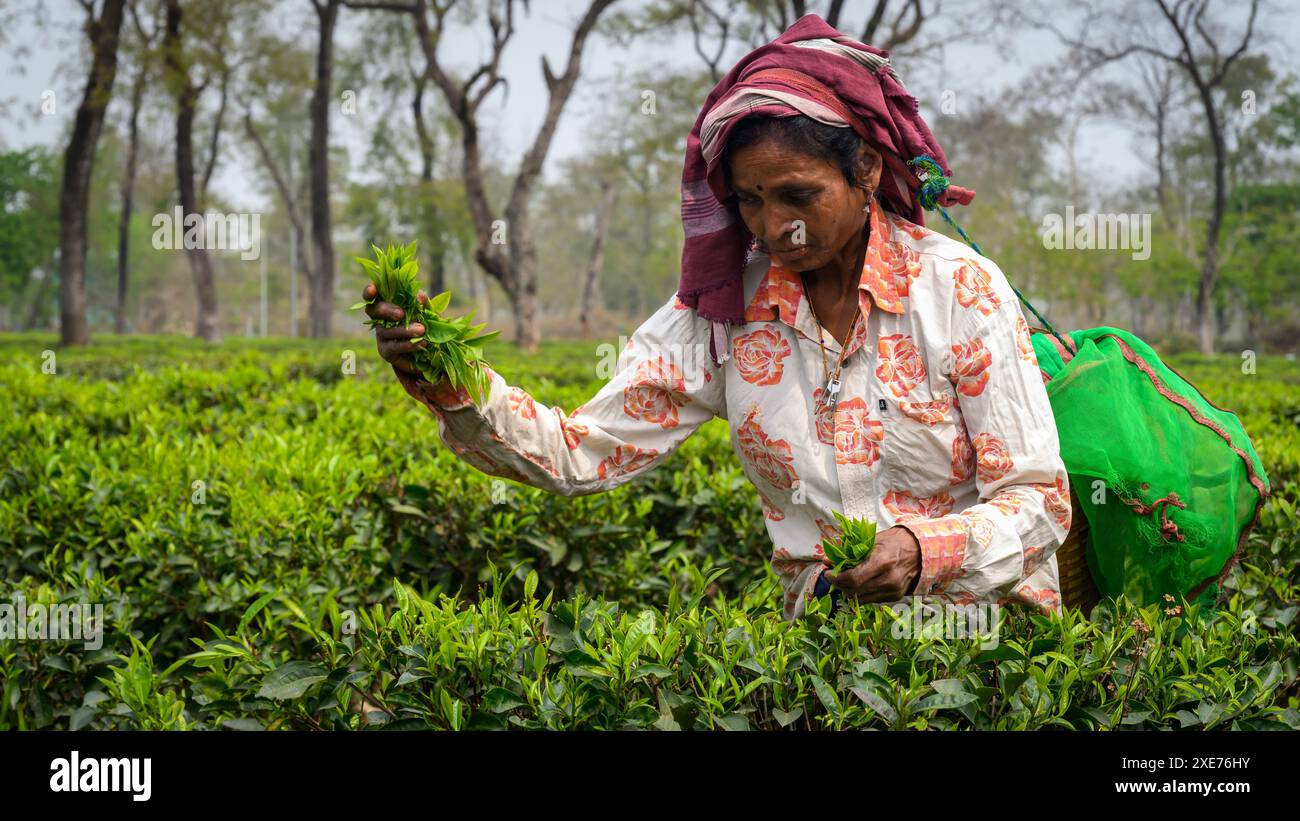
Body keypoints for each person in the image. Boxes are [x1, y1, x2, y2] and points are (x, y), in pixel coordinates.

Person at [363, 14, 1072, 622]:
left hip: (982, 646)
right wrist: (446, 371)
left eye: (798, 195)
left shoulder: (959, 291)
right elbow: (581, 452)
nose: (775, 228)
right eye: (752, 202)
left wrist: (923, 552)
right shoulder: (727, 310)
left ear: (862, 171)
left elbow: (1039, 501)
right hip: (827, 656)